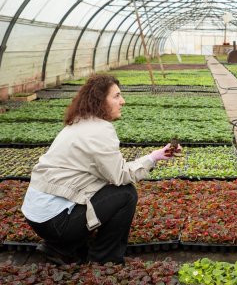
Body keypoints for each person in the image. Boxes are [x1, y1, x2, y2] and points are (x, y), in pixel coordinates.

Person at [21, 74, 179, 264]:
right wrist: (152, 158)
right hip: (55, 221)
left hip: (39, 216)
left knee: (106, 189)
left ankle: (60, 247)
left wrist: (155, 156)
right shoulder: (99, 131)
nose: (123, 101)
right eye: (116, 96)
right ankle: (105, 259)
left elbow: (105, 173)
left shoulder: (80, 122)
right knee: (125, 194)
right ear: (100, 101)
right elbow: (120, 176)